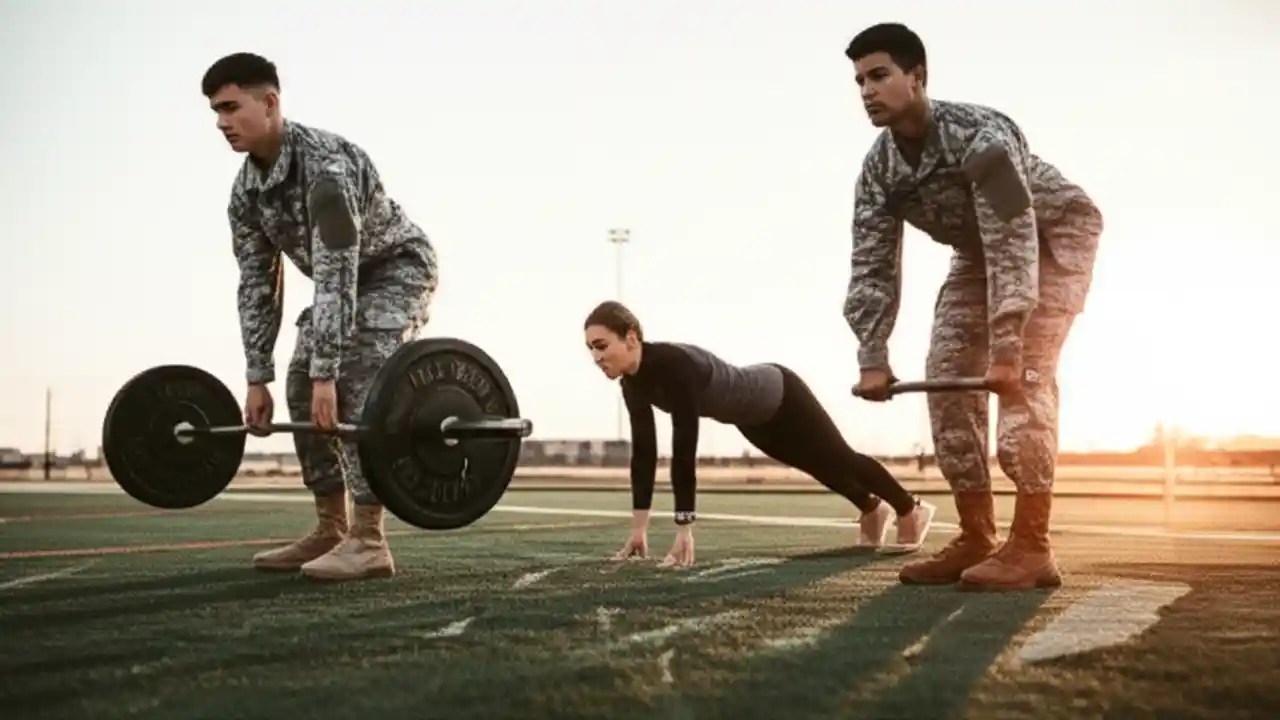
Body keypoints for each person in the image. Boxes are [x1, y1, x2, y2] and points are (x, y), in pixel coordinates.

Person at [841, 24, 1103, 591]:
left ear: (918, 77)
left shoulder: (982, 137)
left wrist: (1008, 344)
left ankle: (1033, 546)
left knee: (1021, 381)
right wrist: (872, 354)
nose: (866, 90)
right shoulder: (879, 169)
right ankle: (978, 536)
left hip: (1051, 241)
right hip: (977, 254)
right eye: (859, 80)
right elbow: (871, 262)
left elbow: (1013, 232)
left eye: (880, 75)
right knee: (949, 381)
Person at [202, 53, 439, 582]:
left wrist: (328, 370)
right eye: (215, 112)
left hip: (396, 270)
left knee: (350, 378)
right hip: (346, 285)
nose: (221, 123)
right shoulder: (245, 193)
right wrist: (256, 375)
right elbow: (258, 285)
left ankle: (369, 540)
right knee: (296, 384)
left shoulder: (326, 165)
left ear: (269, 103)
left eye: (230, 108)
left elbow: (336, 270)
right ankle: (331, 527)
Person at [583, 301, 935, 567]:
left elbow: (683, 447)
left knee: (839, 458)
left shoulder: (672, 365)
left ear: (630, 338)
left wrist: (683, 529)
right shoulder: (632, 384)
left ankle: (910, 509)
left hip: (779, 391)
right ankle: (871, 508)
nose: (596, 357)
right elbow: (644, 453)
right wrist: (639, 531)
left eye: (601, 345)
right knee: (817, 466)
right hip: (751, 418)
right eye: (591, 349)